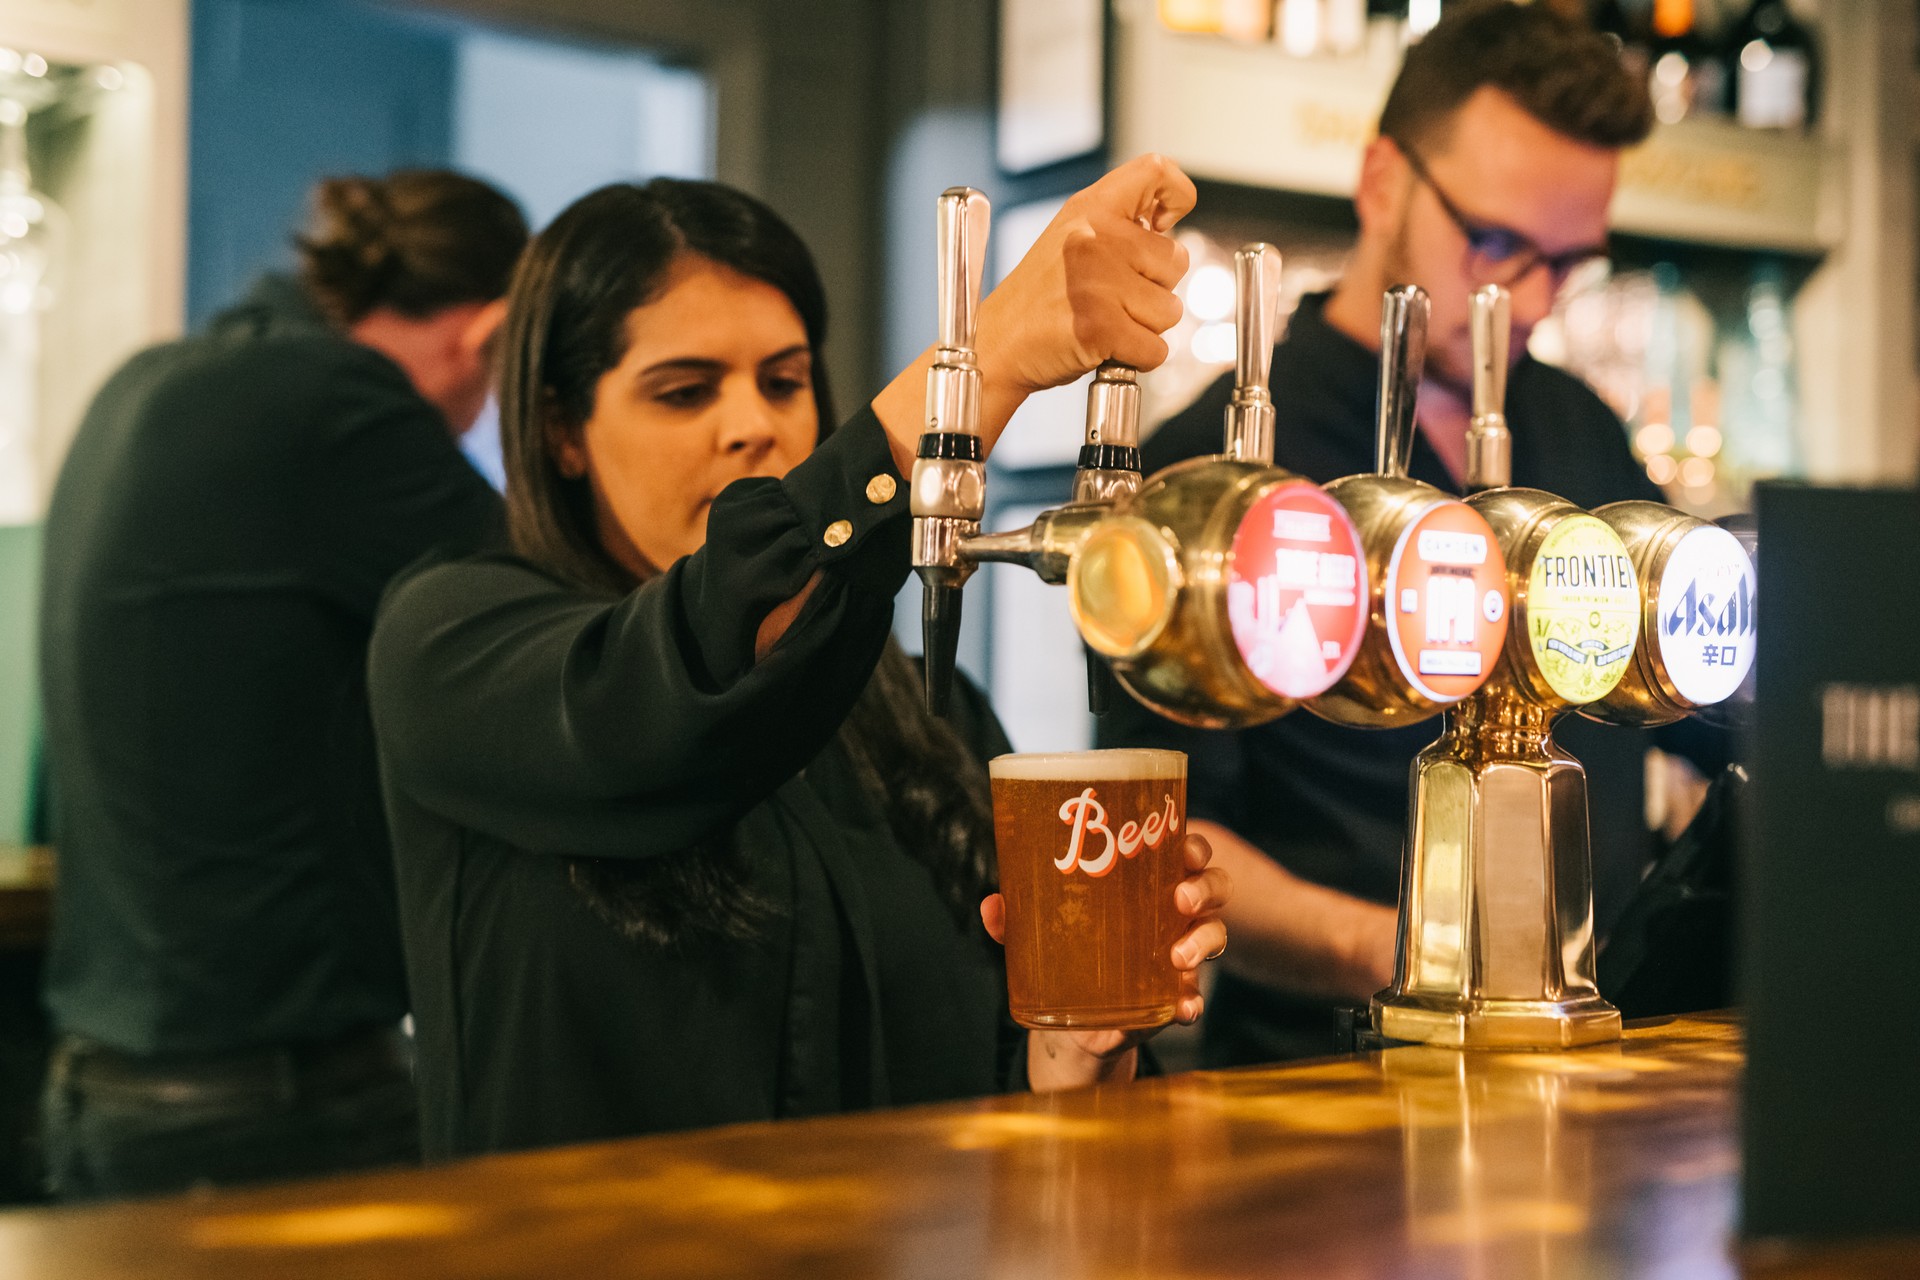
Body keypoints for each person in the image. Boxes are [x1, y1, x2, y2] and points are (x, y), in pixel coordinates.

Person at [366, 162, 1230, 1159]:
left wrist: (1075, 1052)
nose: (755, 425)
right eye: (684, 392)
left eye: (784, 381)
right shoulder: (453, 638)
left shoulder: (922, 709)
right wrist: (979, 364)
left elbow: (1013, 1111)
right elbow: (663, 703)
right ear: (562, 430)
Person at [1098, 1, 1726, 1065]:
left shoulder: (1580, 430)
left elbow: (1696, 701)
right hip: (1323, 1080)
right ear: (1383, 180)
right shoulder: (1215, 467)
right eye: (1498, 244)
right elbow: (1170, 835)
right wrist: (1419, 956)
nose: (1532, 302)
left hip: (1601, 1060)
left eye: (1568, 263)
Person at [38, 170, 527, 1198]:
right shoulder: (336, 405)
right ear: (488, 334)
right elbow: (551, 623)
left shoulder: (145, 382)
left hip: (101, 1084)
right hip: (271, 1109)